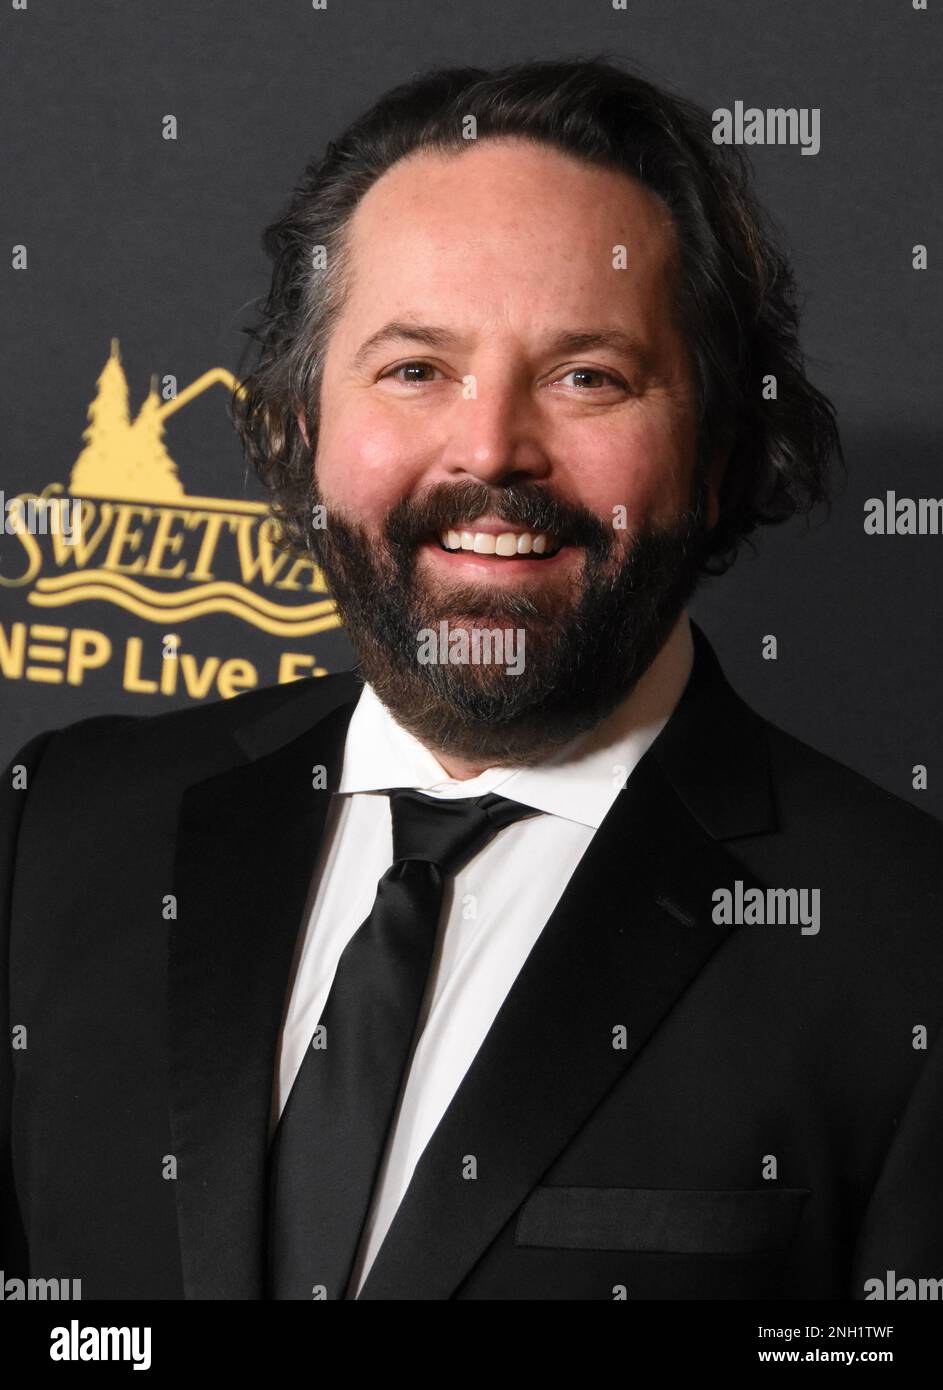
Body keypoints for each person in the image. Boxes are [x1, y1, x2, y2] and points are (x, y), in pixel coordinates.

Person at [3, 59, 942, 1302]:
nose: (492, 444)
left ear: (718, 454)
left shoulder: (904, 945)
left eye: (586, 376)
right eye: (414, 368)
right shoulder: (62, 830)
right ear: (299, 428)